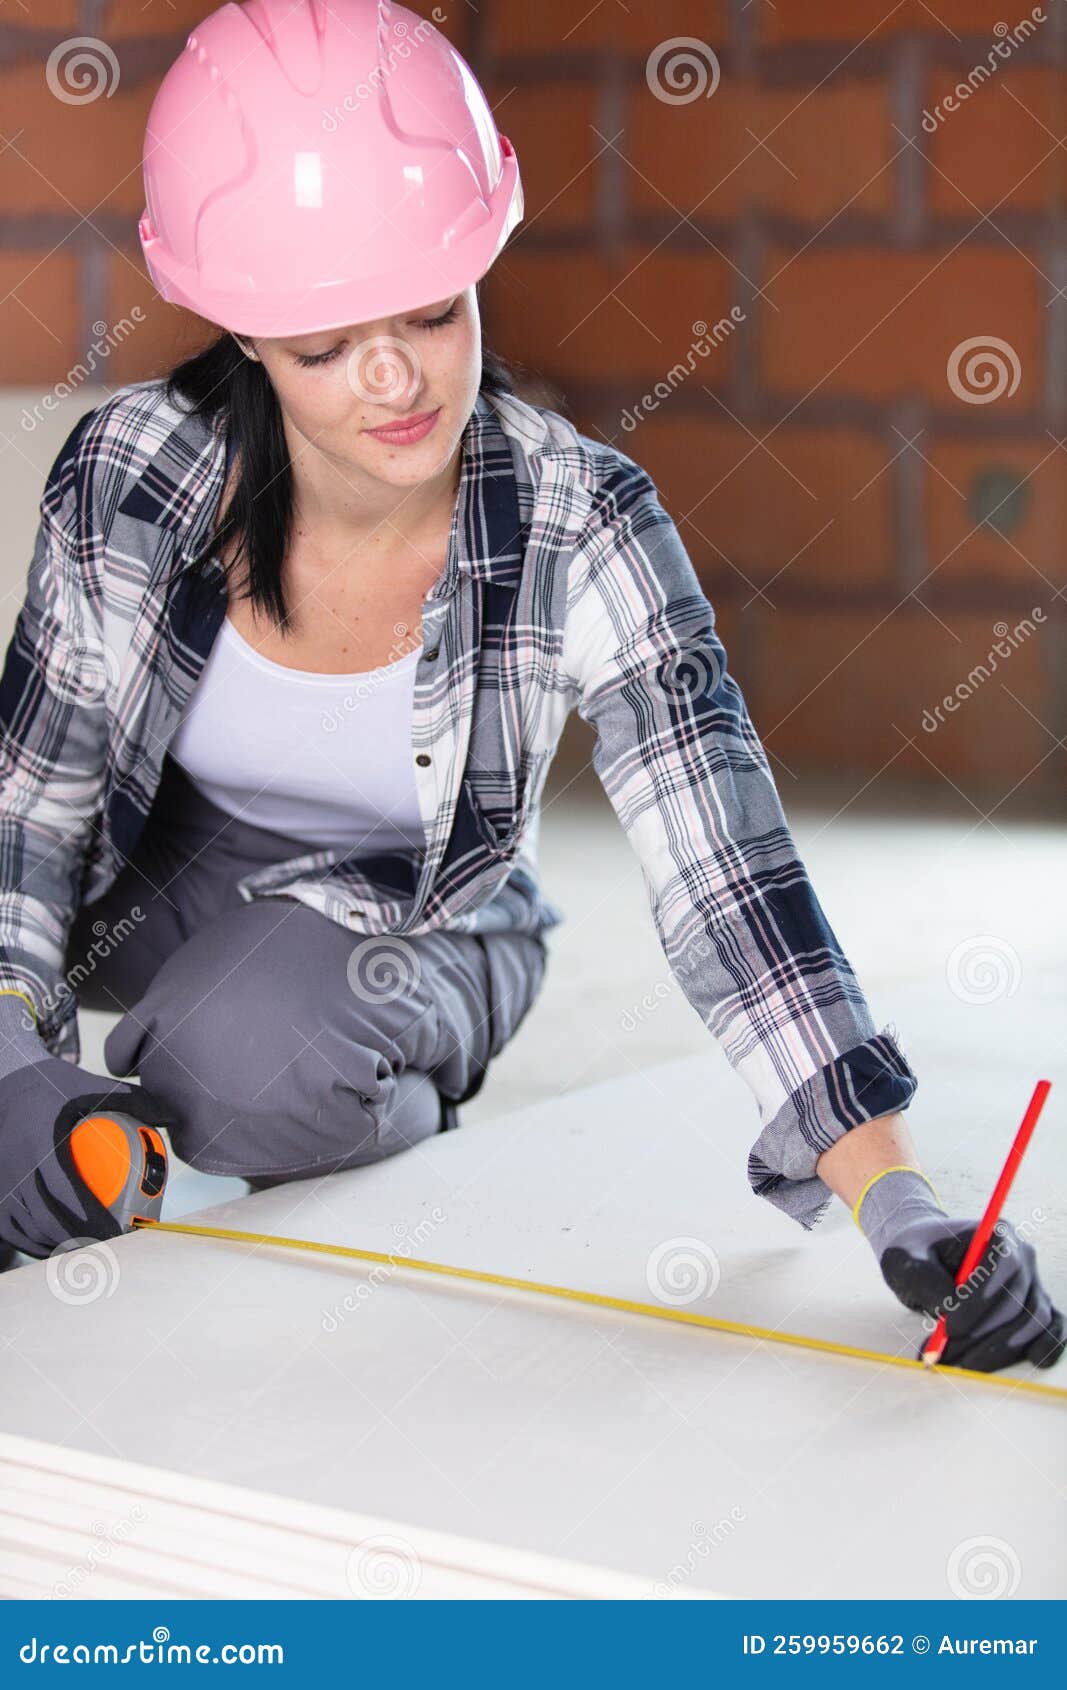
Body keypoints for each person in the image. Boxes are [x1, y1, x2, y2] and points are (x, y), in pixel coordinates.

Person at [0, 0, 1061, 1376]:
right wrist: (17, 1076)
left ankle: (384, 1081)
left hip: (424, 906)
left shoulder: (583, 521)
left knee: (239, 1063)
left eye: (433, 312)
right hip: (159, 881)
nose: (394, 380)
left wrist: (899, 1197)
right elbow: (31, 818)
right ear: (244, 329)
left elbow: (730, 877)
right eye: (324, 346)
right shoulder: (129, 478)